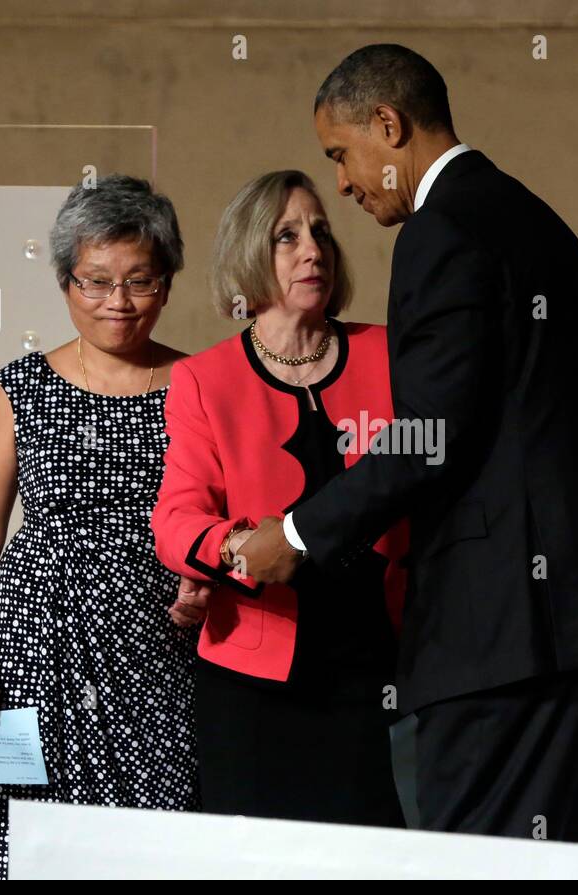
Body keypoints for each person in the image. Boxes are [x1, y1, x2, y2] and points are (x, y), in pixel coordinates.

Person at [237, 44, 578, 845]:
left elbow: (431, 436)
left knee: (480, 863)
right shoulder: (542, 223)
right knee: (568, 864)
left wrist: (296, 535)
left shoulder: (442, 232)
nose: (345, 184)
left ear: (387, 125)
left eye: (341, 154)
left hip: (498, 631)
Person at [0, 174, 207, 879]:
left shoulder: (200, 383)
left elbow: (226, 521)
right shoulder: (20, 387)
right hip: (37, 650)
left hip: (162, 647)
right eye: (95, 282)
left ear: (167, 282)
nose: (117, 303)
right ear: (65, 282)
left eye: (139, 281)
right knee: (33, 841)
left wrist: (206, 580)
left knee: (162, 843)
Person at [152, 170, 407, 828]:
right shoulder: (205, 380)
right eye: (286, 236)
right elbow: (176, 518)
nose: (312, 249)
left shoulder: (387, 354)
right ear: (248, 257)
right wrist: (236, 548)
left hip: (379, 671)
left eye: (320, 232)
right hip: (253, 685)